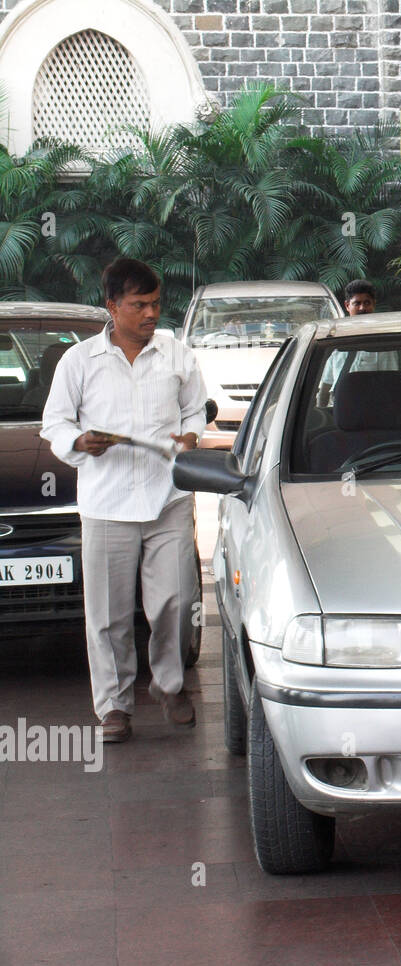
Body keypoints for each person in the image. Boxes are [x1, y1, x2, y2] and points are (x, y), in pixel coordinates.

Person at [41, 258, 207, 743]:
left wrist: (191, 435)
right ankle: (114, 708)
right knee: (109, 614)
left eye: (156, 303)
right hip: (106, 502)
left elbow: (196, 407)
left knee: (177, 602)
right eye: (139, 305)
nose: (151, 313)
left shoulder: (177, 355)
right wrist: (78, 441)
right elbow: (55, 422)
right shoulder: (79, 361)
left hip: (167, 499)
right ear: (112, 306)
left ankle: (170, 686)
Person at [319, 278, 390, 405]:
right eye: (357, 303)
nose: (362, 308)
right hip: (337, 409)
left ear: (374, 304)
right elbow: (326, 385)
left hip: (372, 408)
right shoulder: (335, 339)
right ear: (347, 305)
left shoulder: (383, 343)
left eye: (367, 303)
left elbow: (390, 386)